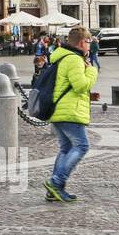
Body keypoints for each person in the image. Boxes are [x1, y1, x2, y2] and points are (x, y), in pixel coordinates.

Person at [43, 26, 99, 204]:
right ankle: (56, 182)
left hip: (59, 110)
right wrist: (91, 70)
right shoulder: (74, 60)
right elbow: (80, 85)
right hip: (70, 112)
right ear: (83, 42)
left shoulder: (62, 57)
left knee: (66, 149)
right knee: (82, 146)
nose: (90, 45)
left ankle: (55, 190)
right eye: (89, 42)